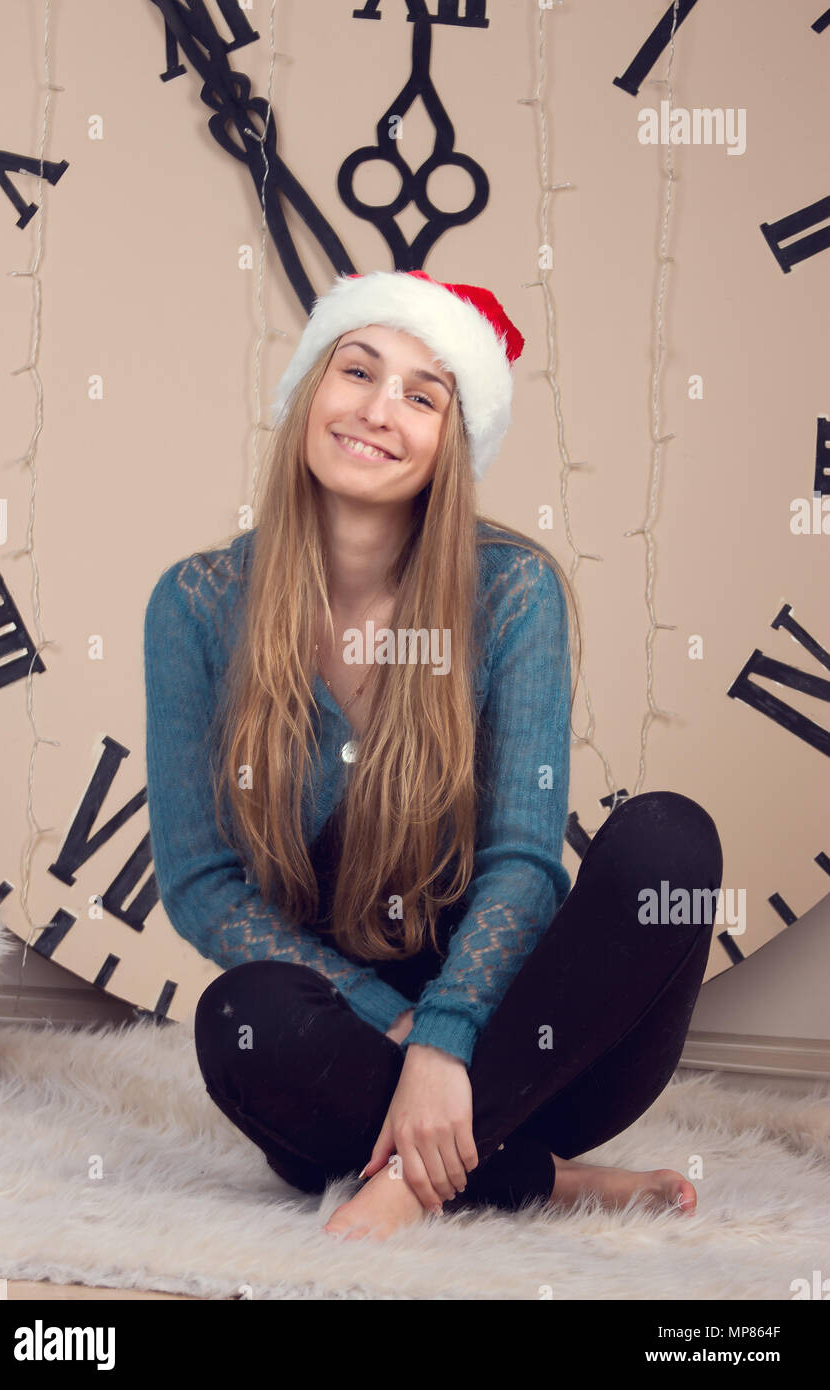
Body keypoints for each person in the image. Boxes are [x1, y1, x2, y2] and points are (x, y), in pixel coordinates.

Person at [143, 268, 723, 1242]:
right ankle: (532, 1178)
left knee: (668, 839)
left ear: (452, 441)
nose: (379, 411)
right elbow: (202, 884)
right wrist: (391, 1024)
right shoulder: (196, 604)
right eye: (357, 371)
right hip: (339, 1064)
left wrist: (447, 1037)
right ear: (306, 392)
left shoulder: (511, 593)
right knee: (237, 1017)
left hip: (535, 1045)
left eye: (422, 394)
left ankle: (423, 1178)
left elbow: (520, 864)